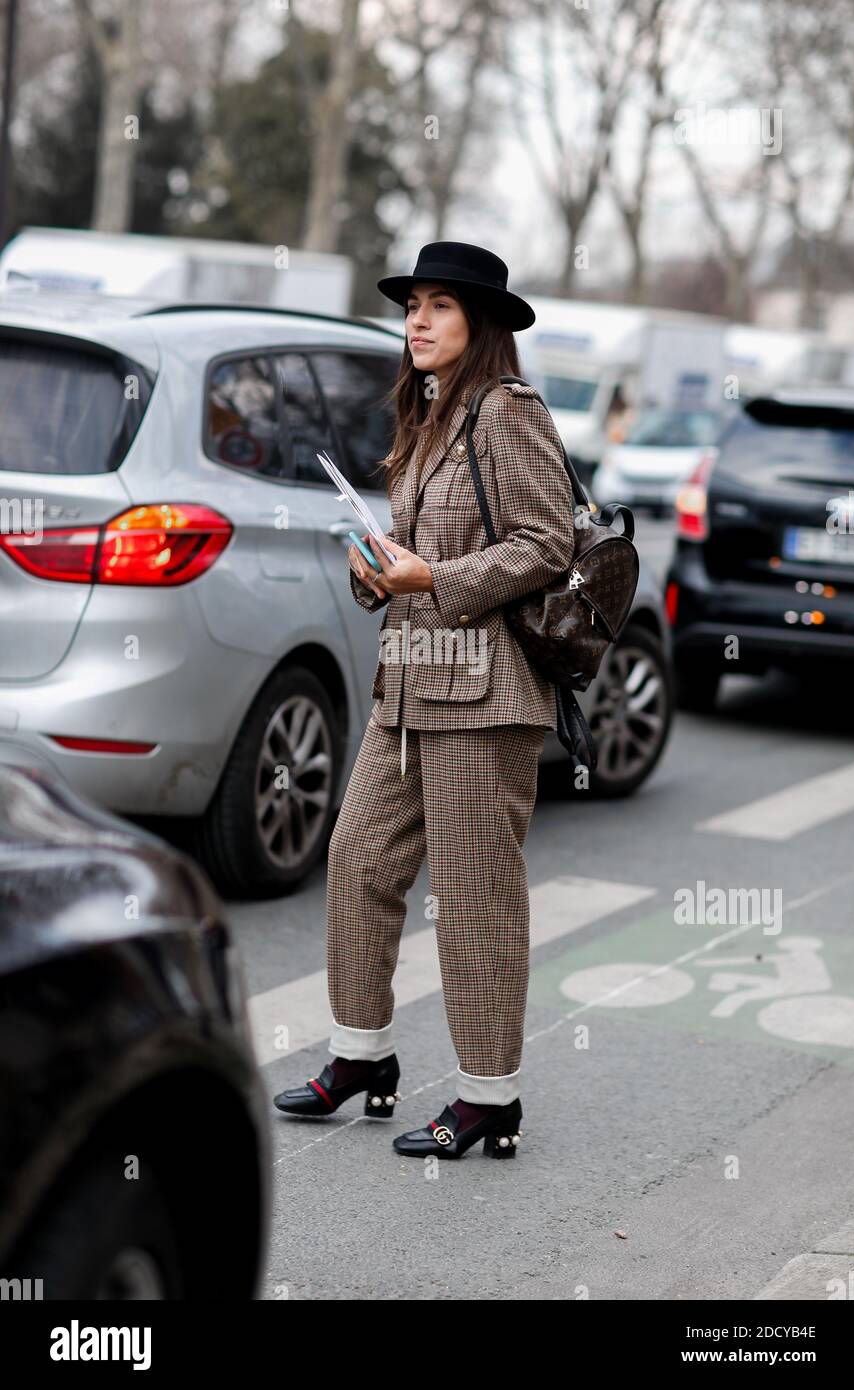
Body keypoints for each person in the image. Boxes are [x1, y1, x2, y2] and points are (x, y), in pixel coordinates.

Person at [273, 242, 575, 1160]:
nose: (417, 320)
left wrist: (431, 574)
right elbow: (412, 556)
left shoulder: (507, 412)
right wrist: (378, 572)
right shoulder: (428, 413)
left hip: (486, 694)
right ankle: (362, 1056)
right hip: (408, 685)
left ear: (478, 324)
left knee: (477, 897)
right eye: (413, 305)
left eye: (441, 306)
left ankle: (490, 1097)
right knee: (359, 856)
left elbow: (545, 543)